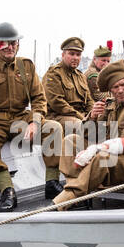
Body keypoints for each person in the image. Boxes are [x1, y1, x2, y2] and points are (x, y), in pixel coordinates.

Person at [54, 60, 124, 206]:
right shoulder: (110, 105)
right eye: (115, 87)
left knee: (103, 157)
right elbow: (89, 135)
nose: (120, 90)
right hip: (114, 156)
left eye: (123, 84)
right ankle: (78, 189)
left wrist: (99, 148)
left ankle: (68, 198)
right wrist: (92, 117)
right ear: (110, 90)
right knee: (71, 141)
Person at [0, 22, 46, 211]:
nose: (9, 47)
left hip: (21, 120)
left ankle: (53, 182)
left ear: (17, 44)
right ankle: (7, 189)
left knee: (53, 129)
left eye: (13, 43)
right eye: (4, 43)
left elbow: (39, 98)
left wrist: (34, 122)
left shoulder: (26, 66)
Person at [39, 37, 91, 200]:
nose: (75, 57)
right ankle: (65, 179)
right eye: (71, 54)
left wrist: (93, 114)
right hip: (58, 116)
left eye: (78, 54)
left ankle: (93, 175)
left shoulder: (80, 76)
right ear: (63, 54)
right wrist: (82, 117)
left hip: (78, 116)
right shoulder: (54, 74)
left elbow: (88, 99)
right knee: (82, 127)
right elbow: (56, 101)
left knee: (102, 126)